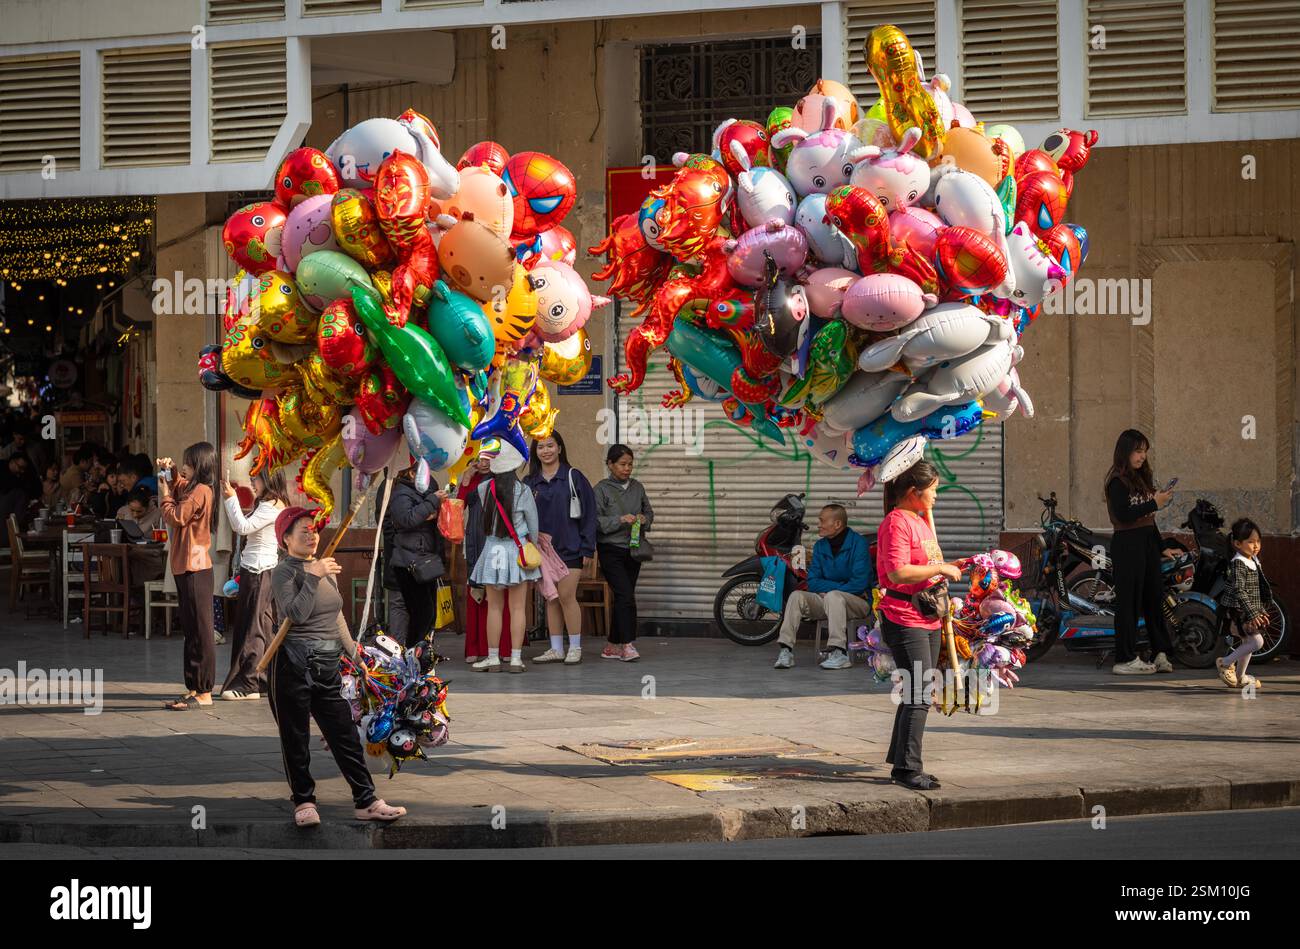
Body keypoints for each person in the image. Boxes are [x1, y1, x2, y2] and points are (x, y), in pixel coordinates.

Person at [269, 506, 406, 827]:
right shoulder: (283, 573)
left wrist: (356, 656)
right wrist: (313, 577)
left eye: (314, 528)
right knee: (295, 737)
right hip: (292, 663)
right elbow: (296, 614)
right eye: (302, 530)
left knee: (343, 733)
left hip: (327, 662)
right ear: (285, 539)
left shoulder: (325, 567)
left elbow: (337, 616)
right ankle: (303, 801)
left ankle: (366, 800)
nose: (311, 534)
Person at [876, 459, 968, 791]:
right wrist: (940, 569)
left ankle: (901, 762)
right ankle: (908, 769)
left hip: (927, 617)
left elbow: (925, 564)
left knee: (918, 692)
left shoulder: (920, 520)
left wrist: (949, 565)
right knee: (919, 693)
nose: (936, 497)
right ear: (914, 493)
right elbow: (899, 572)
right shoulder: (896, 523)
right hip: (903, 618)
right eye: (933, 491)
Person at [1104, 429, 1175, 676]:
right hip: (1127, 546)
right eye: (1137, 451)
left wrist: (1162, 546)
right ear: (1125, 452)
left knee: (1154, 599)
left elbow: (1148, 520)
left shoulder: (1141, 479)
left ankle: (1160, 652)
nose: (1142, 456)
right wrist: (1154, 502)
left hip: (1146, 545)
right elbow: (1124, 515)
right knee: (1129, 604)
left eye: (1144, 451)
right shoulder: (1116, 481)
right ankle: (1124, 658)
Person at [524, 432, 597, 665]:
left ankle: (575, 647)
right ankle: (556, 649)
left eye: (550, 446)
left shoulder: (574, 477)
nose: (545, 451)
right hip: (541, 552)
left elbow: (589, 515)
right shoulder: (529, 482)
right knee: (551, 598)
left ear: (559, 448)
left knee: (566, 596)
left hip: (571, 547)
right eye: (540, 447)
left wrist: (588, 549)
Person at [773, 504, 873, 670]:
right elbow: (813, 582)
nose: (818, 524)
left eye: (822, 520)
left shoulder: (859, 544)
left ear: (838, 524)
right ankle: (786, 651)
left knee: (834, 596)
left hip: (857, 602)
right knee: (797, 596)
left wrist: (832, 591)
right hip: (826, 600)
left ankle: (839, 653)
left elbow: (860, 583)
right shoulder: (821, 546)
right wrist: (833, 590)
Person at [219, 468, 289, 700]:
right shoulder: (269, 503)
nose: (252, 481)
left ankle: (249, 681)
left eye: (256, 477)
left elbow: (242, 527)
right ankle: (260, 679)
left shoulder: (271, 506)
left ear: (269, 478)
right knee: (260, 626)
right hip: (257, 570)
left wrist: (230, 497)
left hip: (261, 571)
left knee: (254, 628)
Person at [158, 443, 219, 711]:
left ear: (200, 465)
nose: (184, 467)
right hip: (186, 566)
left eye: (188, 463)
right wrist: (169, 472)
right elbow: (179, 486)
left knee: (201, 631)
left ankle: (204, 691)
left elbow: (176, 516)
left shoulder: (202, 490)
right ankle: (194, 687)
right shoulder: (192, 488)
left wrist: (163, 494)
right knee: (191, 629)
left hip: (196, 567)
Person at [470, 444, 541, 672]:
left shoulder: (483, 489)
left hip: (491, 550)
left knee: (494, 608)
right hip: (516, 550)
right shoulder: (524, 491)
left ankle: (492, 658)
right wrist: (533, 544)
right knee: (518, 608)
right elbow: (534, 527)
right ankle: (516, 658)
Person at [594, 444, 653, 661]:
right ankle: (628, 645)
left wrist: (644, 519)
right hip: (610, 549)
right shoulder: (600, 489)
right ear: (610, 464)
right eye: (622, 464)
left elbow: (648, 510)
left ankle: (611, 646)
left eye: (630, 464)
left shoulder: (637, 487)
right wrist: (619, 520)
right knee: (625, 595)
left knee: (624, 597)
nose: (627, 468)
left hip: (633, 549)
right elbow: (595, 520)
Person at [459, 444, 516, 662]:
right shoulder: (471, 479)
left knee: (499, 595)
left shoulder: (504, 479)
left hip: (498, 542)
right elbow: (458, 506)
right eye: (480, 459)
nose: (484, 464)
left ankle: (503, 649)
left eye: (488, 459)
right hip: (475, 542)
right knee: (477, 594)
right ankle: (475, 649)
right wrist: (465, 481)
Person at [385, 463, 449, 647]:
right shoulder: (401, 492)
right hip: (408, 561)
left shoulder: (424, 490)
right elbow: (406, 519)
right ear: (412, 473)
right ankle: (411, 654)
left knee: (427, 613)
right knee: (420, 613)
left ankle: (420, 654)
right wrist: (430, 503)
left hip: (424, 558)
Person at [1217, 518, 1271, 690]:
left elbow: (1256, 592)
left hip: (1248, 611)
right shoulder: (1239, 564)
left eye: (1258, 541)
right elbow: (1240, 591)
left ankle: (1241, 677)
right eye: (1250, 542)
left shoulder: (1253, 560)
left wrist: (1260, 611)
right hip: (1237, 612)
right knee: (1256, 642)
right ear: (1237, 543)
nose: (1256, 546)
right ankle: (1225, 663)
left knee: (1247, 642)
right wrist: (1253, 614)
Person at [0, 453, 39, 528]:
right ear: (12, 462)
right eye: (20, 467)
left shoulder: (20, 475)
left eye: (24, 469)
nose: (22, 471)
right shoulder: (2, 468)